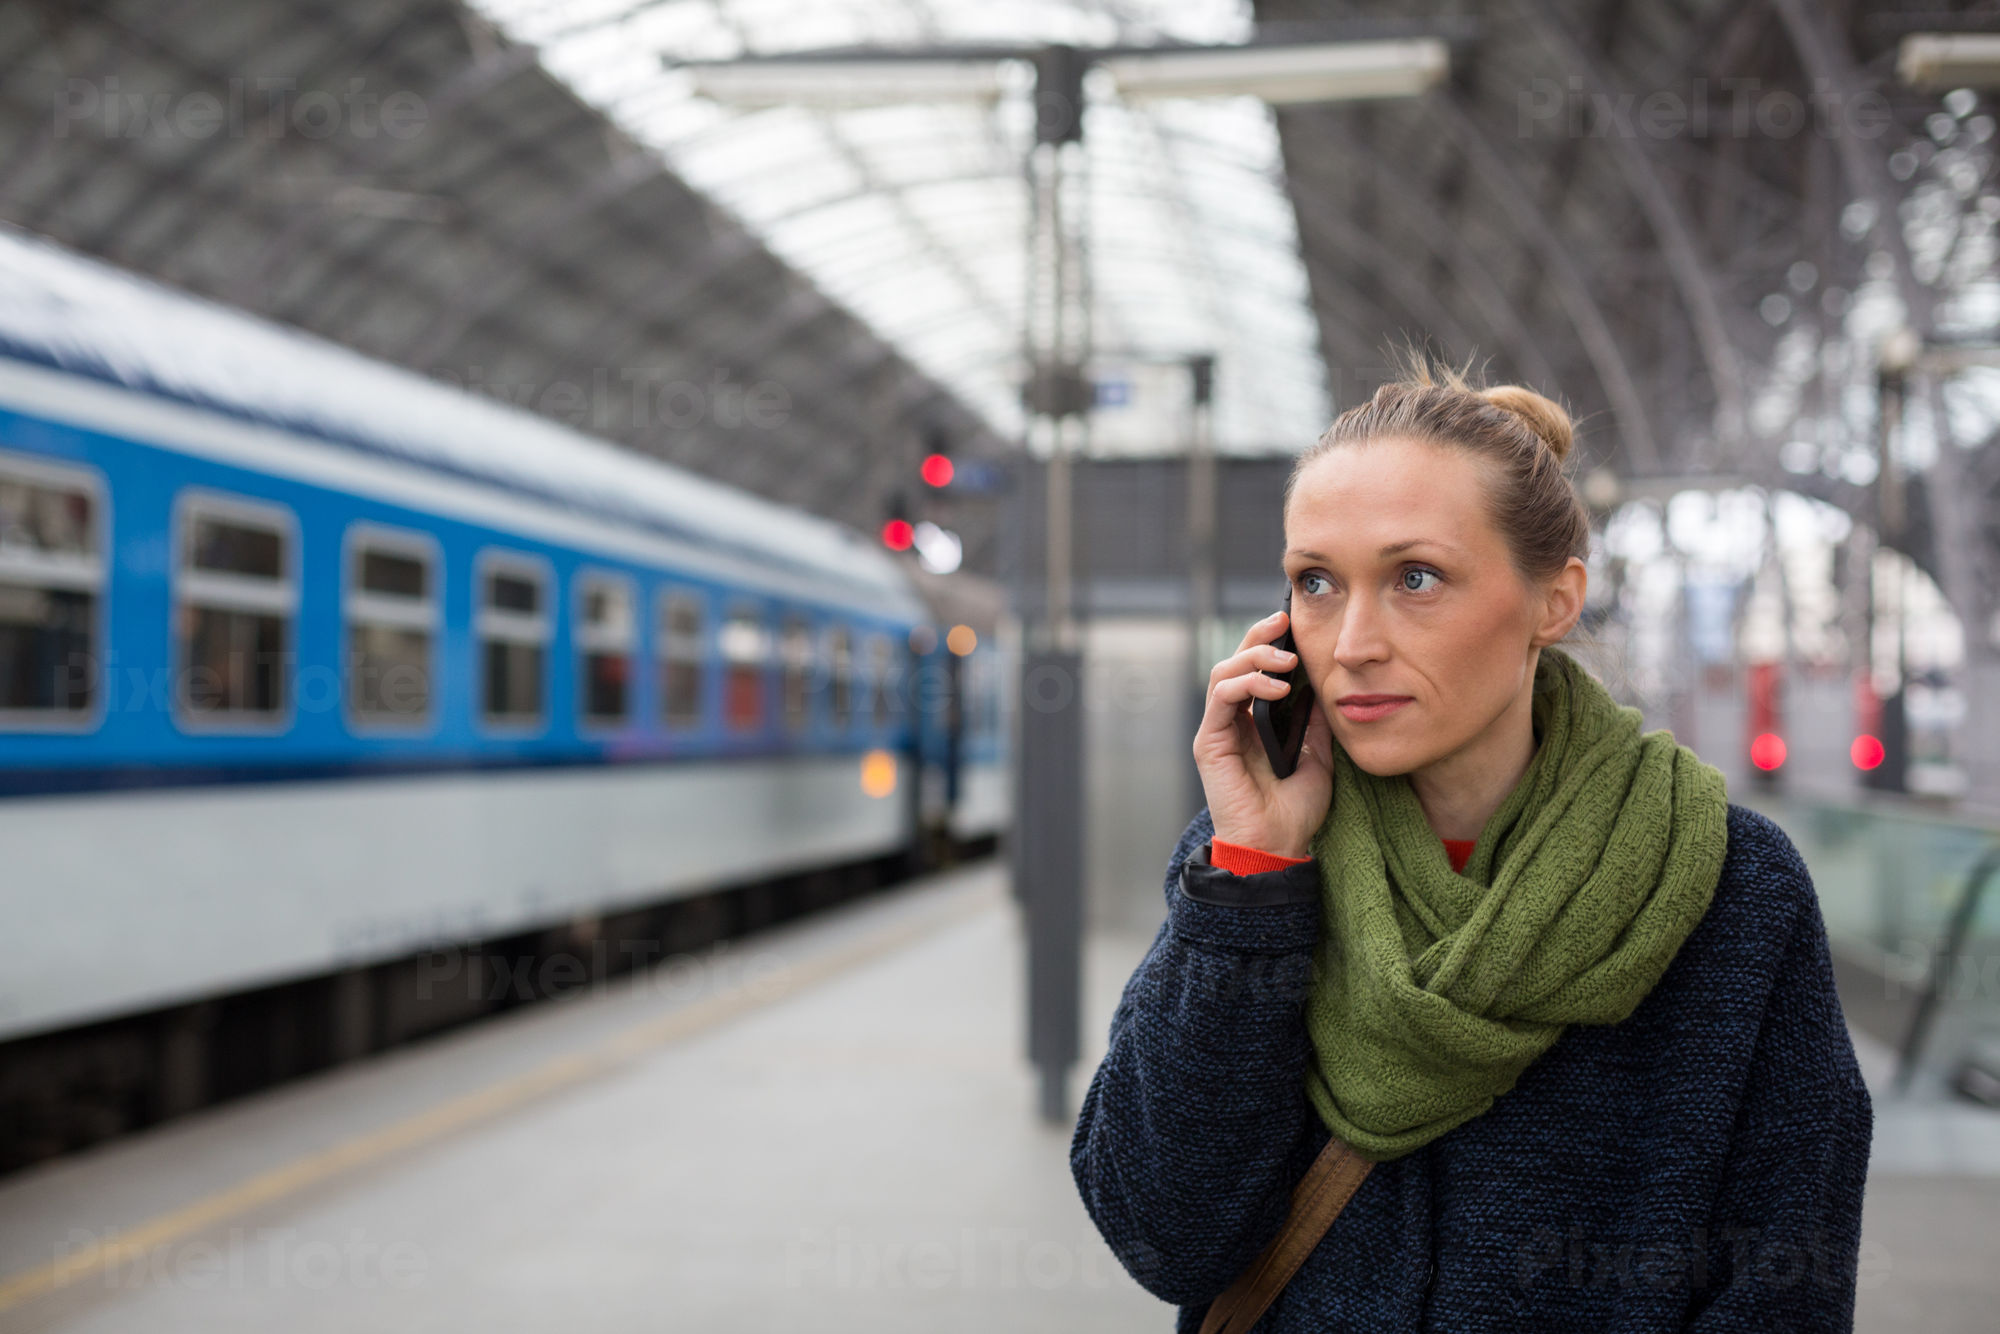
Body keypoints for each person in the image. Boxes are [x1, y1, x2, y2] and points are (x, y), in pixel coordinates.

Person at [1069, 348, 1874, 1332]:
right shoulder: (1253, 866)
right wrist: (1253, 871)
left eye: (1414, 576)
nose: (1352, 639)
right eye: (1315, 582)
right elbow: (1163, 1234)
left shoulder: (1728, 889)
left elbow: (1782, 1287)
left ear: (1553, 600)